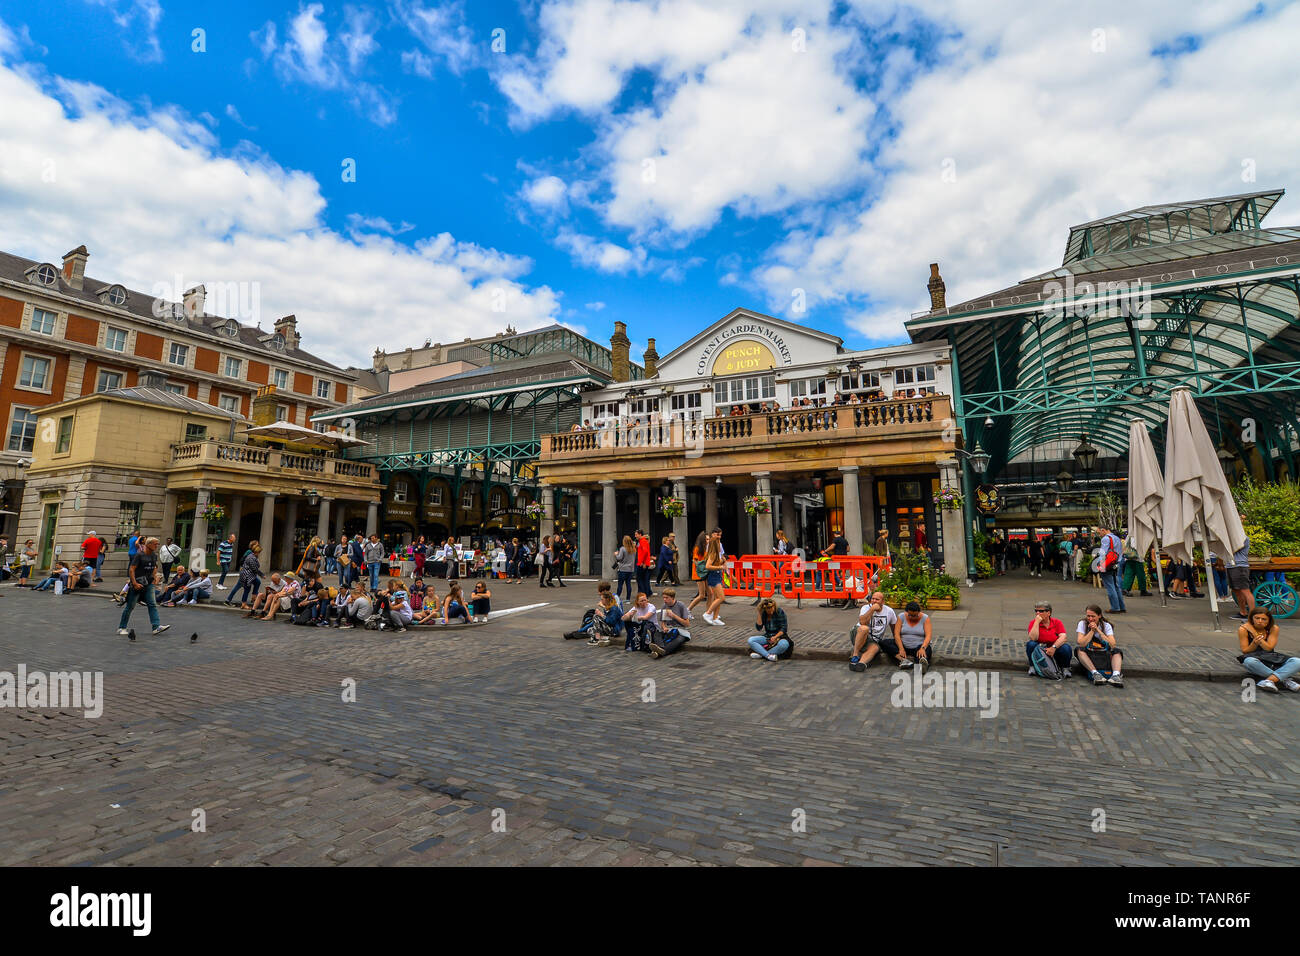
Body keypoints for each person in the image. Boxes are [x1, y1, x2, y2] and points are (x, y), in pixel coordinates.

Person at [117, 536, 169, 636]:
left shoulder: (154, 555)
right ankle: (121, 627)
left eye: (157, 544)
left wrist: (154, 578)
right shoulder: (139, 555)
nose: (156, 546)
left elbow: (154, 567)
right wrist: (134, 583)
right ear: (148, 544)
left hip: (148, 584)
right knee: (130, 606)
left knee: (152, 604)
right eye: (155, 544)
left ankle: (156, 626)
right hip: (137, 583)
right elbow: (132, 569)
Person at [1237, 608, 1299, 692]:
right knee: (1249, 661)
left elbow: (1268, 648)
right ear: (1252, 618)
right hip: (1253, 658)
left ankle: (1269, 681)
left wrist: (1255, 634)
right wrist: (1254, 643)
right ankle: (1285, 680)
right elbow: (1245, 651)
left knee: (1297, 661)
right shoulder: (1243, 629)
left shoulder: (1274, 628)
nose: (1259, 621)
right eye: (1257, 618)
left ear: (1269, 620)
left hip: (1270, 657)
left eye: (1263, 619)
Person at [1075, 604, 1124, 687]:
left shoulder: (1106, 626)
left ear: (1099, 615)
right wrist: (1092, 631)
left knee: (1117, 651)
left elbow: (1112, 644)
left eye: (1093, 616)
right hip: (1090, 652)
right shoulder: (1082, 623)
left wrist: (1098, 630)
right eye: (1088, 616)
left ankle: (1116, 675)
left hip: (1103, 653)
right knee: (1079, 650)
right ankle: (1095, 674)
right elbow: (1081, 643)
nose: (1090, 619)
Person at [848, 591, 898, 671]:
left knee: (875, 648)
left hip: (873, 639)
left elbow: (894, 628)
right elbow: (863, 622)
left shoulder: (889, 611)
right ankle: (855, 654)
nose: (874, 601)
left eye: (877, 599)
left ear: (883, 601)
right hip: (859, 633)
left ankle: (861, 664)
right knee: (865, 628)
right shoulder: (866, 608)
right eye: (873, 599)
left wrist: (898, 642)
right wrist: (872, 609)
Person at [878, 601, 933, 670]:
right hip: (903, 646)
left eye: (915, 615)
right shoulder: (901, 617)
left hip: (918, 646)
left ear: (919, 612)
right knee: (884, 643)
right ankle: (904, 660)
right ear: (906, 612)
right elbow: (896, 634)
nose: (912, 618)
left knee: (927, 650)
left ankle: (922, 663)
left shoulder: (925, 618)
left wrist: (922, 648)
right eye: (910, 615)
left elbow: (928, 636)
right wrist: (901, 648)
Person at [1026, 601, 1072, 677]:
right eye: (1036, 611)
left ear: (1048, 613)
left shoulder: (1057, 622)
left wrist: (1053, 648)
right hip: (1040, 650)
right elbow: (1033, 638)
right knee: (1031, 644)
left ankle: (1065, 668)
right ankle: (1032, 666)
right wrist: (1037, 622)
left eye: (1041, 611)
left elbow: (1063, 637)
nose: (1038, 613)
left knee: (1066, 648)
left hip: (1054, 648)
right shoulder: (1033, 623)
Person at [649, 587, 691, 659]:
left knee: (679, 640)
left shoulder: (681, 605)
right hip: (669, 629)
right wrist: (664, 627)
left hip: (680, 630)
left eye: (667, 598)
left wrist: (674, 616)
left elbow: (687, 624)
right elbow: (663, 623)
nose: (664, 600)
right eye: (664, 598)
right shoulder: (664, 606)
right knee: (657, 634)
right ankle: (661, 649)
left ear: (672, 598)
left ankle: (661, 651)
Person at [1095, 525, 1126, 613]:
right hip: (1117, 563)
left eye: (1099, 532)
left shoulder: (1105, 539)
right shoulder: (1117, 538)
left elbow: (1102, 553)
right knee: (1116, 586)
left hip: (1107, 564)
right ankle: (1121, 606)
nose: (1099, 534)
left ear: (1103, 530)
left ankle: (1115, 608)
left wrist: (1099, 564)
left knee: (1110, 586)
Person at [1226, 535, 1254, 621]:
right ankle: (1243, 612)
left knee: (1245, 590)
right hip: (1231, 565)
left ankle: (1253, 616)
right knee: (1236, 591)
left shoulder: (1243, 537)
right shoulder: (1233, 536)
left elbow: (1233, 549)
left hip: (1240, 566)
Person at [226, 541, 263, 608]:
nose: (258, 545)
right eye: (257, 544)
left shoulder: (252, 554)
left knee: (257, 582)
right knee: (244, 587)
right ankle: (235, 601)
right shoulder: (250, 553)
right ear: (253, 546)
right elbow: (250, 565)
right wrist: (261, 574)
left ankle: (253, 597)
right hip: (246, 573)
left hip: (247, 573)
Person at [701, 537, 728, 626]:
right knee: (721, 598)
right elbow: (708, 566)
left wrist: (723, 560)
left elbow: (716, 563)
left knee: (718, 598)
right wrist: (720, 567)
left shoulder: (716, 554)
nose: (720, 544)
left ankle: (715, 617)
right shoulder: (713, 554)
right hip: (714, 577)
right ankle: (708, 613)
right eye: (718, 543)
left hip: (717, 576)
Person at [686, 531, 709, 616]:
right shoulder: (698, 548)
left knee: (710, 593)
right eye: (706, 539)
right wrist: (702, 567)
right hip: (699, 574)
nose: (708, 541)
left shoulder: (705, 548)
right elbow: (695, 561)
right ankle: (688, 610)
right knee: (702, 595)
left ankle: (709, 611)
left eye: (708, 539)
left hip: (703, 573)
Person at [614, 535, 636, 602]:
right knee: (628, 584)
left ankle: (617, 599)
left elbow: (619, 558)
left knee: (620, 585)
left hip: (623, 569)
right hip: (630, 569)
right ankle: (628, 599)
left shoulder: (622, 549)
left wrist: (616, 554)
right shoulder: (633, 549)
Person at [635, 530, 654, 598]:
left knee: (640, 579)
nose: (635, 536)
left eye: (636, 534)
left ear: (640, 534)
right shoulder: (641, 541)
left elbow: (645, 552)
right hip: (642, 563)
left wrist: (643, 562)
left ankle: (643, 593)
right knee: (643, 579)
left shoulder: (642, 541)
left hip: (642, 563)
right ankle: (644, 593)